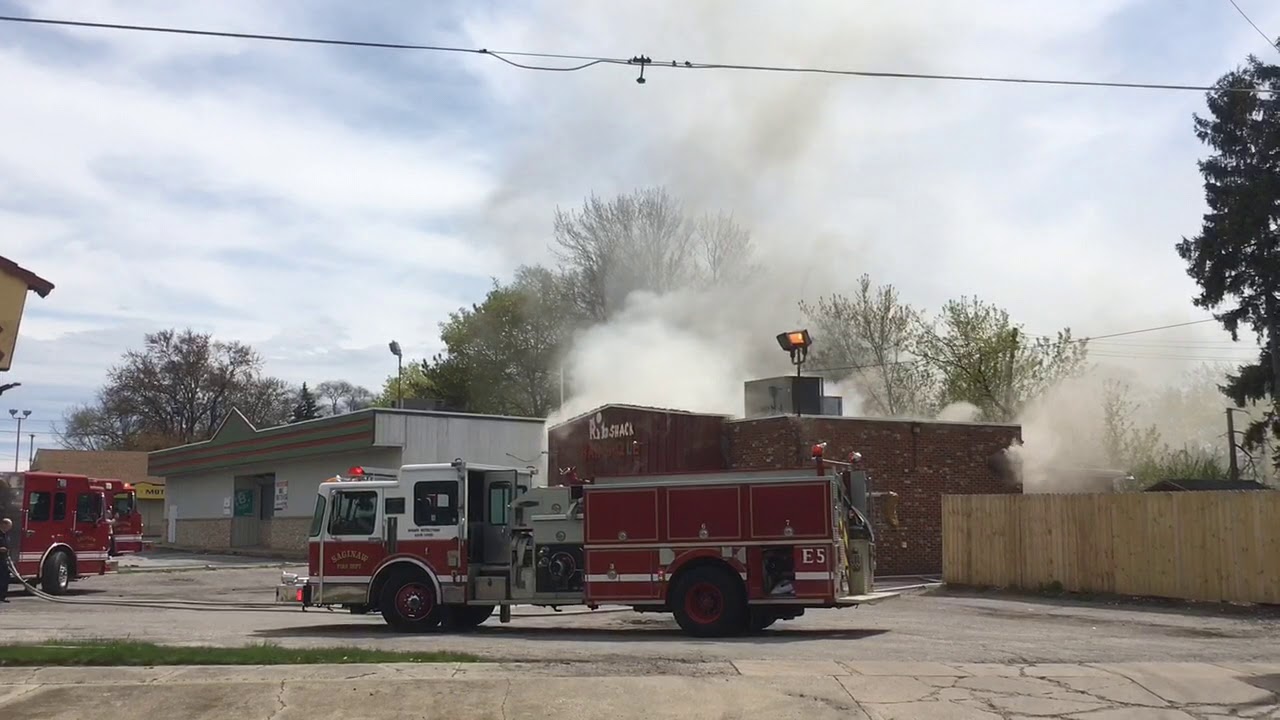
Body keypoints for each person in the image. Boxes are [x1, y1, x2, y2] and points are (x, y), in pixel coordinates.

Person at [0, 517, 10, 603]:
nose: (9, 529)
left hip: (3, 558)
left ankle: (3, 596)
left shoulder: (5, 535)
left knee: (5, 577)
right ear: (3, 524)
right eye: (8, 526)